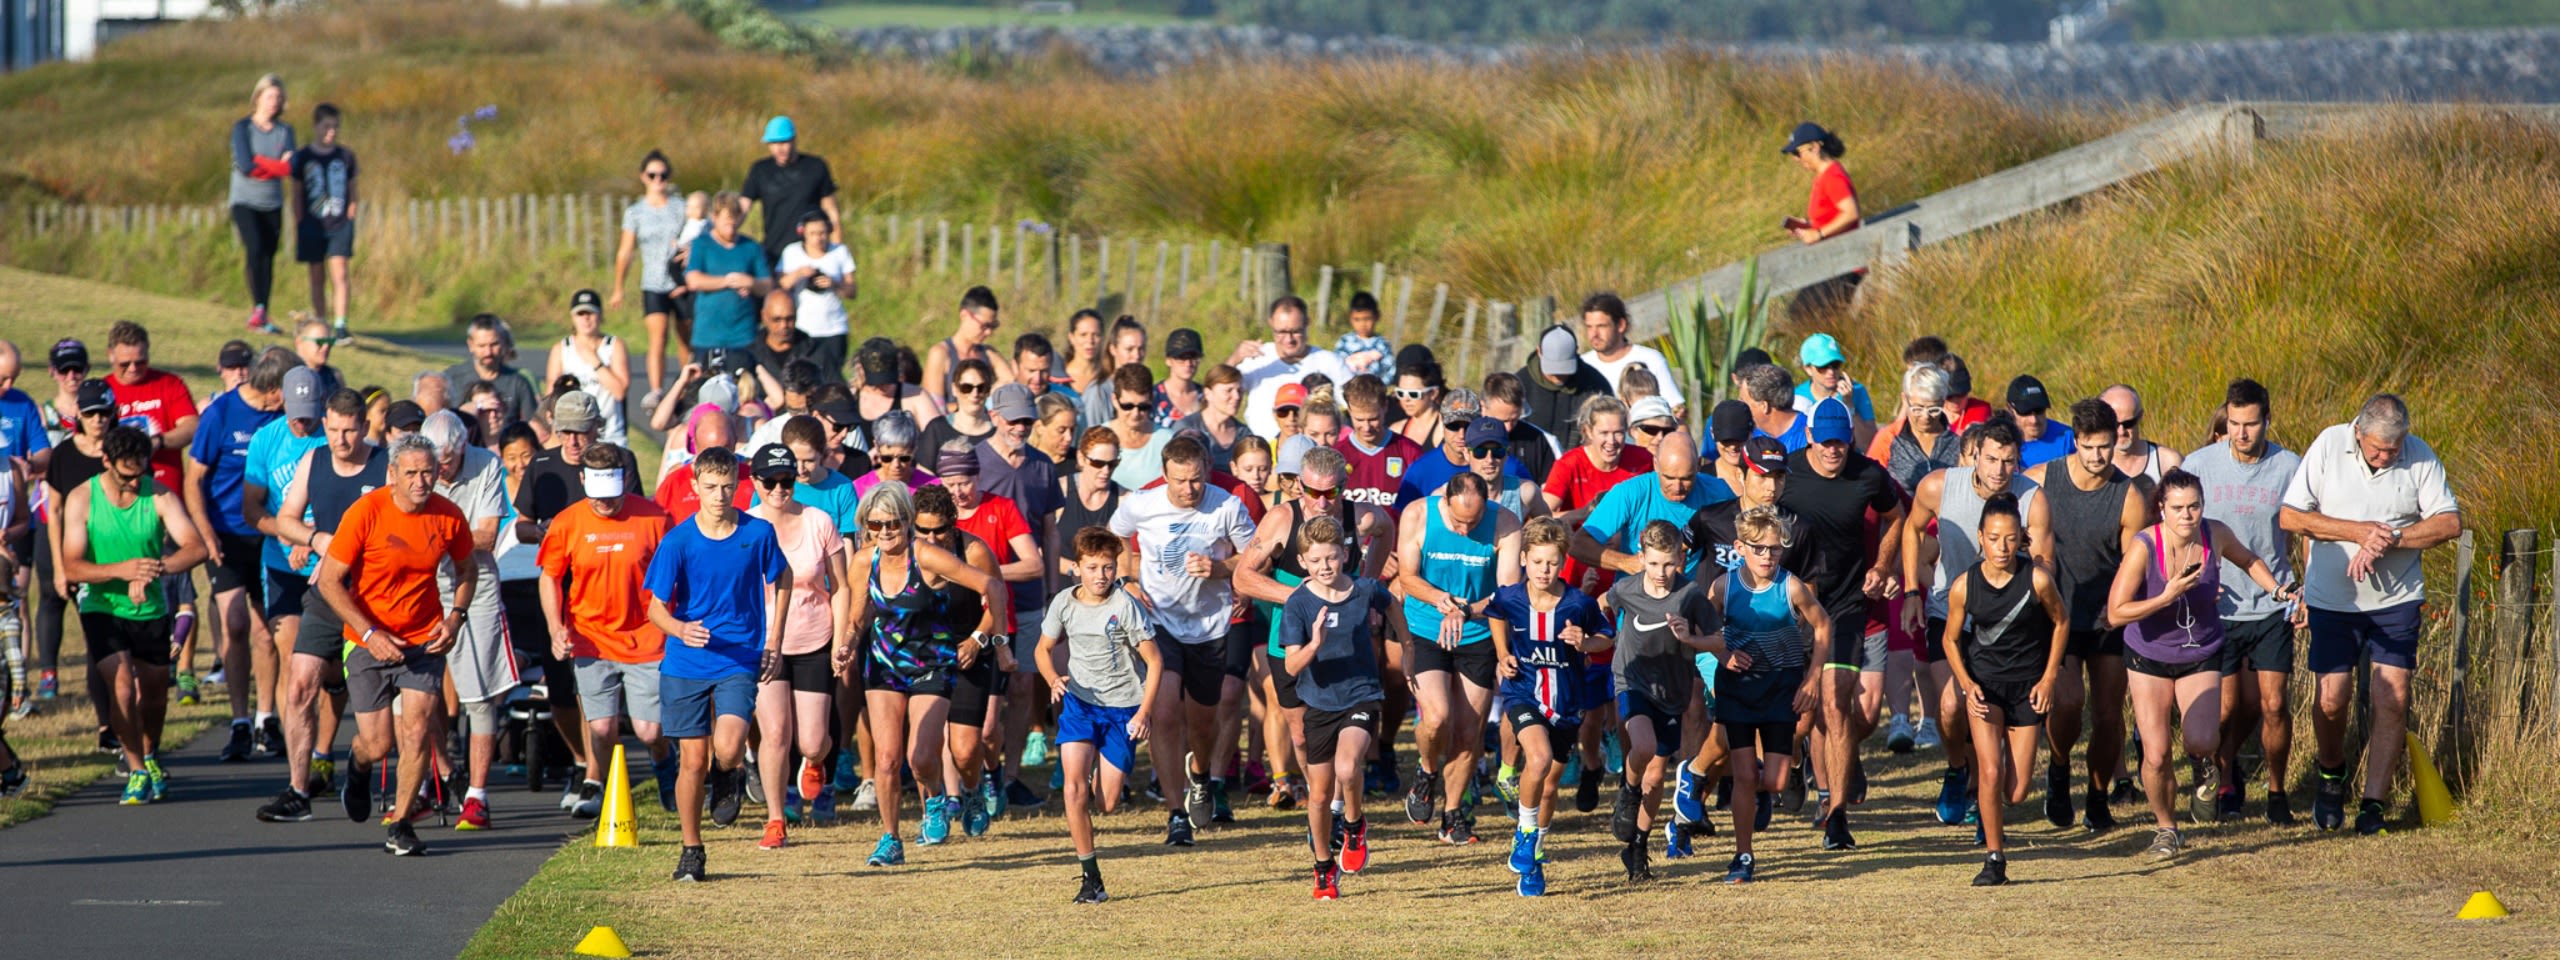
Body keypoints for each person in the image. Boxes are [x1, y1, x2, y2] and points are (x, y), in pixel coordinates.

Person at [2277, 393, 2461, 836]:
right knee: (2331, 699)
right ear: (2358, 432)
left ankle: (2373, 804)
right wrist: (2357, 532)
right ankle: (2331, 772)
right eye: (2378, 449)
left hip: (2396, 600)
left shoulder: (2419, 455)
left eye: (2393, 450)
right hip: (2332, 600)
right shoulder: (2328, 445)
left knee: (2392, 698)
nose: (2386, 457)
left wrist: (2390, 537)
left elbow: (2449, 523)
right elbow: (2290, 517)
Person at [2108, 468, 2300, 861]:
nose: (2187, 515)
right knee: (2156, 754)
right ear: (2162, 508)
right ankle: (2166, 828)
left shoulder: (2216, 534)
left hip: (2200, 652)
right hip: (2148, 655)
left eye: (2194, 506)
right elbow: (2115, 612)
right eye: (2178, 507)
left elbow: (2249, 559)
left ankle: (2204, 766)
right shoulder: (2145, 547)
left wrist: (2278, 590)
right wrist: (2166, 596)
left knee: (2202, 741)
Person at [310, 435, 470, 854]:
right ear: (392, 474)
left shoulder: (448, 515)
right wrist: (369, 634)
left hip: (423, 640)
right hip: (368, 639)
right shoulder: (367, 511)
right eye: (411, 473)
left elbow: (467, 569)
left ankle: (400, 824)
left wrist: (455, 618)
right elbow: (329, 581)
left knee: (417, 729)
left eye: (428, 473)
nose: (421, 482)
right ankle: (357, 764)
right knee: (379, 743)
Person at [644, 447, 791, 881]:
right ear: (695, 487)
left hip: (738, 657)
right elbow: (655, 609)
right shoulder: (678, 541)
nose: (719, 496)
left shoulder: (757, 533)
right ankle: (692, 850)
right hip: (686, 661)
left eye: (727, 487)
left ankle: (728, 772)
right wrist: (680, 628)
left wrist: (775, 638)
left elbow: (783, 577)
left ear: (738, 486)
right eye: (710, 487)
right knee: (691, 761)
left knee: (728, 746)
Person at [847, 480, 1003, 866]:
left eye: (893, 523)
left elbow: (991, 586)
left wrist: (987, 639)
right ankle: (891, 838)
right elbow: (858, 615)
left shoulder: (928, 556)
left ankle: (946, 796)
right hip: (884, 664)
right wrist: (846, 643)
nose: (885, 532)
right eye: (876, 524)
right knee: (886, 759)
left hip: (932, 663)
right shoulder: (864, 561)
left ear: (906, 522)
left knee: (919, 756)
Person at [1769, 400, 1904, 849]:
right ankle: (1797, 760)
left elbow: (1896, 518)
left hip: (1845, 606)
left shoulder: (1869, 475)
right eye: (1825, 441)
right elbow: (1754, 513)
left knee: (1836, 704)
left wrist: (1882, 566)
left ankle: (1837, 815)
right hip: (1792, 607)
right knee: (1799, 717)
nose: (1833, 450)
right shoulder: (1786, 473)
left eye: (1840, 442)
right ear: (1809, 437)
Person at [1109, 436, 1255, 848]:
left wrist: (1221, 568)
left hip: (1210, 625)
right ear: (1164, 474)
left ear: (1206, 469)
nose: (1189, 489)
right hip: (1158, 622)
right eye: (1179, 481)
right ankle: (1176, 813)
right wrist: (1128, 579)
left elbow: (1255, 555)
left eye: (1195, 480)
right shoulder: (1143, 503)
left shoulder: (1227, 506)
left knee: (1202, 722)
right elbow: (1115, 535)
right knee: (1165, 710)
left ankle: (1202, 775)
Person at [1903, 417, 2047, 829]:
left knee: (1991, 709)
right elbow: (1912, 530)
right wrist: (1911, 591)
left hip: (2006, 623)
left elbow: (2046, 564)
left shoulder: (2032, 498)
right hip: (1948, 611)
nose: (1999, 470)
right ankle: (1957, 769)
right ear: (1974, 455)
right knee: (1951, 705)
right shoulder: (1939, 486)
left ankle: (1985, 792)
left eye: (2008, 461)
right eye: (1991, 459)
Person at [1233, 446, 1394, 813]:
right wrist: (1300, 597)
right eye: (1313, 491)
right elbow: (1243, 577)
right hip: (1289, 643)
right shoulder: (1281, 519)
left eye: (1331, 492)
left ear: (1344, 487)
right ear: (1299, 486)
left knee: (1341, 730)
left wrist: (1368, 588)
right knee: (1303, 735)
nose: (1322, 502)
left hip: (1344, 645)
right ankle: (1318, 796)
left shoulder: (1361, 517)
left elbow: (1386, 529)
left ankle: (1333, 808)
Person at [2023, 398, 2149, 832]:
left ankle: (2097, 799)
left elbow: (2134, 564)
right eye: (2089, 447)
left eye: (2105, 447)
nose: (2097, 456)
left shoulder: (2128, 497)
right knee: (2069, 701)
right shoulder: (2041, 481)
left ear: (2116, 442)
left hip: (2107, 618)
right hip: (2057, 614)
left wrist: (2123, 611)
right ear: (2075, 441)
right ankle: (2059, 768)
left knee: (2109, 714)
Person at [66, 425, 209, 806]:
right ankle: (135, 769)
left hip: (150, 609)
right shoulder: (82, 499)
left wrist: (153, 569)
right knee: (123, 688)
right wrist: (122, 570)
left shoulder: (159, 495)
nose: (134, 482)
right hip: (102, 607)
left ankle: (149, 753)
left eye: (140, 473)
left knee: (156, 696)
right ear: (106, 462)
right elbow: (72, 566)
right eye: (126, 475)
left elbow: (195, 548)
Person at [2186, 378, 2305, 823]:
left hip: (2272, 603)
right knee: (2225, 709)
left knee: (2271, 705)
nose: (2241, 433)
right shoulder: (2200, 465)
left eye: (2250, 424)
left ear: (2267, 421)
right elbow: (2180, 525)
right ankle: (2224, 775)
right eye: (2234, 423)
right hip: (2218, 607)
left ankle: (2276, 792)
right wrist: (2195, 577)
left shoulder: (2289, 467)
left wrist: (2306, 588)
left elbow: (2307, 530)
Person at [1938, 491, 2067, 886]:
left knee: (2016, 791)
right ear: (1981, 537)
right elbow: (1949, 639)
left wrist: (2049, 678)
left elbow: (2061, 623)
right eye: (1994, 538)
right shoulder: (1965, 585)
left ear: (2021, 538)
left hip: (2028, 687)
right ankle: (1994, 858)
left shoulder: (2038, 579)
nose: (2002, 547)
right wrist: (1966, 684)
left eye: (2011, 538)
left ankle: (2000, 797)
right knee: (1991, 772)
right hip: (1985, 686)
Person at [1488, 517, 1613, 896]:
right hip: (1523, 692)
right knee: (1538, 759)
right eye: (1538, 561)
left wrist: (1585, 642)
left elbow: (1606, 637)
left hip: (1566, 703)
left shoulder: (1579, 603)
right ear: (1523, 559)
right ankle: (1525, 834)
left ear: (1562, 563)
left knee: (1548, 786)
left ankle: (1535, 858)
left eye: (1552, 563)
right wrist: (1502, 653)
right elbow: (1495, 614)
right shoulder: (1511, 597)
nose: (1544, 570)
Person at [1036, 526, 1162, 904]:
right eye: (1092, 567)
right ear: (1076, 568)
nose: (1101, 576)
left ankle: (1101, 776)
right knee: (1072, 788)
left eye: (1108, 567)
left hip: (1122, 708)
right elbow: (1042, 650)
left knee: (1106, 802)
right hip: (1079, 703)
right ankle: (1090, 878)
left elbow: (1155, 662)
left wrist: (1144, 713)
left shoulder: (1125, 605)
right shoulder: (1064, 602)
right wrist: (1053, 678)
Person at [1396, 470, 1521, 843]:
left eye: (1474, 521)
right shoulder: (1418, 514)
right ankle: (1427, 770)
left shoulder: (1505, 523)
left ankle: (1452, 816)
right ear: (1445, 502)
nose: (1465, 530)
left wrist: (1466, 611)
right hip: (1425, 629)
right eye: (1457, 522)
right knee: (1437, 717)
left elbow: (1507, 592)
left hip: (1477, 631)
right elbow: (1407, 577)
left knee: (1469, 732)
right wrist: (1442, 601)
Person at [1597, 519, 1725, 882]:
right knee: (1643, 746)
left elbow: (1718, 639)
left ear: (1681, 560)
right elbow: (1602, 604)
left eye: (1669, 564)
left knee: (1655, 778)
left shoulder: (1690, 595)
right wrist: (1598, 635)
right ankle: (1628, 790)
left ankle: (1637, 846)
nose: (1661, 573)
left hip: (1673, 692)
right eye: (1653, 563)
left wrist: (1691, 640)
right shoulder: (1627, 588)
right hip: (1633, 680)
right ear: (1641, 559)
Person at [1279, 513, 1395, 901]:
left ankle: (1355, 825)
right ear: (1303, 562)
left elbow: (1391, 603)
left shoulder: (1363, 590)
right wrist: (1314, 643)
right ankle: (1324, 867)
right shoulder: (1298, 603)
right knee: (1318, 796)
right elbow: (1291, 666)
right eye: (1315, 560)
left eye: (1331, 557)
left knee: (1347, 767)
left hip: (1362, 695)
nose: (1325, 566)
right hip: (1319, 703)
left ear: (1344, 555)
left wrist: (1408, 648)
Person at [183, 348, 287, 762]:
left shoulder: (282, 417)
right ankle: (239, 719)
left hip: (268, 534)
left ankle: (265, 718)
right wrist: (205, 534)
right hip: (225, 534)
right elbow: (194, 479)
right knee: (236, 624)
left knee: (266, 631)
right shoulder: (221, 414)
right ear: (273, 388)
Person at [742, 441, 848, 848]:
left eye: (786, 481)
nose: (779, 489)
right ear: (756, 482)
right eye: (770, 482)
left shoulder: (818, 521)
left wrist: (841, 641)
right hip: (765, 645)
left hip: (814, 638)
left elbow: (840, 587)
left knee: (813, 740)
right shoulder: (746, 526)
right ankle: (774, 819)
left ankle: (816, 762)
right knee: (775, 733)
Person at [413, 412, 513, 828]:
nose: (439, 471)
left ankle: (477, 795)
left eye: (448, 461)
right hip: (421, 584)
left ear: (463, 447)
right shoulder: (413, 463)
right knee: (416, 694)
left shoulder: (486, 464)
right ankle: (437, 777)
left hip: (476, 581)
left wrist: (429, 540)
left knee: (479, 696)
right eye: (433, 463)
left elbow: (487, 536)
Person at [933, 450, 1036, 826]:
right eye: (950, 484)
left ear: (978, 477)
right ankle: (955, 797)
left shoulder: (1000, 510)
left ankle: (992, 773)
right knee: (946, 724)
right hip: (946, 633)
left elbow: (1034, 564)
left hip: (995, 628)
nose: (958, 491)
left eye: (965, 482)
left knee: (989, 730)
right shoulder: (932, 520)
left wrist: (979, 574)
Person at [976, 384, 1060, 808]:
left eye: (1027, 420)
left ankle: (1010, 777)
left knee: (1025, 684)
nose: (1021, 427)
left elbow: (1049, 531)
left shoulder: (1042, 466)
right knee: (983, 693)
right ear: (994, 416)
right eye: (1014, 420)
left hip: (1027, 595)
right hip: (980, 601)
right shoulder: (974, 462)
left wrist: (1053, 591)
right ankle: (979, 773)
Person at [1571, 433, 1730, 583]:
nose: (1677, 487)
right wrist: (1626, 562)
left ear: (1698, 466)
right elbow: (1578, 544)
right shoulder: (1629, 493)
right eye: (1669, 478)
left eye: (1686, 478)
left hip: (1692, 595)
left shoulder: (1719, 493)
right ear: (1656, 464)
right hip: (1637, 596)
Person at [612, 150, 689, 410]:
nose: (658, 180)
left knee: (685, 337)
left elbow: (698, 232)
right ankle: (657, 391)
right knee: (658, 338)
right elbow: (625, 252)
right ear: (643, 177)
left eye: (663, 175)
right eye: (652, 175)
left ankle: (686, 386)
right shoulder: (635, 212)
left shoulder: (680, 207)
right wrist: (619, 287)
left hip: (680, 281)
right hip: (653, 282)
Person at [230, 73, 296, 335]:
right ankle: (256, 308)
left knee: (268, 256)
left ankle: (263, 311)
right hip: (245, 200)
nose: (274, 102)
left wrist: (263, 163)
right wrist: (275, 165)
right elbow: (246, 165)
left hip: (272, 202)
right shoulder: (242, 128)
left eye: (278, 97)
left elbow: (290, 167)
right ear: (258, 97)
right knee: (255, 247)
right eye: (270, 96)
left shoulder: (285, 131)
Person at [1231, 297, 1351, 439]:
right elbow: (1216, 395)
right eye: (1281, 332)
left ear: (1307, 322)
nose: (1289, 339)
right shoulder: (1256, 358)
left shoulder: (1330, 362)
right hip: (1261, 448)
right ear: (1271, 323)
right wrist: (1234, 359)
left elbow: (1356, 407)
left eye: (1296, 331)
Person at [290, 101, 358, 339]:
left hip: (339, 222)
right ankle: (321, 322)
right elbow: (297, 192)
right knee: (316, 275)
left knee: (340, 273)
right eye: (326, 126)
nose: (331, 131)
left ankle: (341, 324)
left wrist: (351, 213)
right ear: (316, 126)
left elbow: (352, 188)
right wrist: (299, 220)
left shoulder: (345, 156)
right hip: (312, 224)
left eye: (335, 126)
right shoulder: (303, 157)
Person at [683, 191, 772, 372]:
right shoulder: (702, 244)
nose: (731, 228)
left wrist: (750, 282)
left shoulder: (751, 247)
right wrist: (728, 281)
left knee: (744, 383)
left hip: (743, 334)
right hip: (708, 335)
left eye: (734, 222)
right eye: (726, 222)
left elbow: (767, 285)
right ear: (714, 218)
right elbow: (693, 280)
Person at [1781, 121, 1861, 316]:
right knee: (1799, 313)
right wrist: (1807, 226)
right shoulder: (1822, 176)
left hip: (1844, 263)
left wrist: (1818, 233)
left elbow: (1851, 213)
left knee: (1800, 314)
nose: (1796, 159)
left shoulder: (1832, 176)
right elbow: (1832, 215)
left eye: (1798, 152)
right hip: (1832, 262)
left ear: (1815, 147)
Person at [740, 116, 840, 266]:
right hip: (774, 252)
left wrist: (837, 249)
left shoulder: (816, 167)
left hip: (811, 252)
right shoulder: (760, 170)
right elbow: (742, 208)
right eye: (774, 144)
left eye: (784, 143)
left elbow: (831, 211)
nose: (779, 149)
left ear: (794, 140)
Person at [775, 209, 857, 378]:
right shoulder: (792, 252)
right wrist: (799, 274)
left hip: (834, 328)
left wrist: (833, 283)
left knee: (833, 375)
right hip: (803, 326)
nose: (818, 238)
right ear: (803, 233)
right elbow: (780, 286)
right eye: (812, 234)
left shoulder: (839, 252)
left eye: (822, 233)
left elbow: (852, 291)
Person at [546, 290, 633, 446]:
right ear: (573, 317)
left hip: (610, 435)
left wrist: (595, 361)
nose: (586, 318)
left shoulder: (614, 346)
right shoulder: (561, 349)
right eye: (580, 314)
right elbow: (551, 396)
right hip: (574, 437)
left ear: (600, 315)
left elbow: (620, 391)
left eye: (591, 313)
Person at [1331, 375, 1423, 513]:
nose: (1366, 427)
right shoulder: (1336, 456)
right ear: (1349, 411)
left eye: (1373, 419)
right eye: (1359, 420)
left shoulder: (1410, 452)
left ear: (1385, 407)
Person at [1578, 293, 1684, 413]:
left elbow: (1676, 410)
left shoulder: (1651, 360)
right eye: (1589, 327)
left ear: (1621, 325)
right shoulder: (1581, 365)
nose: (1594, 334)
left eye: (1601, 326)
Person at [1519, 326, 1613, 449]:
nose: (1558, 376)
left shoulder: (1595, 385)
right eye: (1552, 369)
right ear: (1539, 351)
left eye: (1564, 369)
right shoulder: (1520, 386)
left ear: (1576, 351)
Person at [1876, 364, 1963, 495]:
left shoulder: (1958, 441)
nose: (1925, 416)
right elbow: (1871, 482)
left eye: (1933, 409)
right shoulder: (1888, 438)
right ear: (1905, 399)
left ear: (1943, 402)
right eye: (1917, 408)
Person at [919, 286, 1009, 409]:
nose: (989, 332)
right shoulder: (940, 354)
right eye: (984, 325)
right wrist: (971, 406)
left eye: (993, 326)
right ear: (964, 315)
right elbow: (934, 407)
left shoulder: (989, 353)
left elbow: (1010, 382)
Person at [443, 315, 540, 428]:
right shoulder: (451, 379)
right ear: (471, 345)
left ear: (504, 343)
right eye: (482, 346)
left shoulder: (518, 383)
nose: (488, 352)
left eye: (494, 344)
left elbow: (534, 426)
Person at [1792, 334, 1873, 449]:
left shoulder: (1857, 391)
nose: (1831, 372)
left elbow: (1868, 443)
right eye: (1823, 366)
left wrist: (1849, 405)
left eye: (1835, 365)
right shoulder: (1797, 398)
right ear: (1808, 369)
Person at [2101, 384, 2184, 492]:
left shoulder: (2167, 462)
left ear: (2140, 417)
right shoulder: (2092, 462)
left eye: (2128, 423)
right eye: (2114, 424)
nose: (2121, 431)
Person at [1479, 373, 1560, 481]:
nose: (1508, 428)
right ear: (1484, 408)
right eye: (1502, 421)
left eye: (1514, 420)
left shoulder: (1538, 441)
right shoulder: (1465, 438)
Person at [918, 360, 998, 466]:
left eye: (981, 388)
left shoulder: (999, 431)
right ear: (954, 389)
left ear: (988, 391)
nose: (975, 394)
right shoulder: (937, 429)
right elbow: (922, 473)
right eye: (967, 388)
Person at [1170, 363, 1247, 473]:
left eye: (1239, 391)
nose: (1237, 397)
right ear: (1208, 393)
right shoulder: (1186, 428)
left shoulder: (1244, 434)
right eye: (1228, 390)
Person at [1103, 364, 1169, 491]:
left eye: (1143, 407)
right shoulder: (1098, 438)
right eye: (1128, 406)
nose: (1135, 413)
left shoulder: (1167, 440)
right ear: (1114, 400)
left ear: (1151, 400)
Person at [2007, 376, 2074, 469]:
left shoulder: (2069, 438)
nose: (2034, 420)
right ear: (2010, 409)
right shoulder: (1998, 442)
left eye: (2039, 411)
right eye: (2025, 412)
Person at [1391, 360, 1447, 452]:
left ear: (1433, 393)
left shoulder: (1445, 430)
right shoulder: (1396, 430)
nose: (1406, 399)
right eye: (1400, 393)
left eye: (1413, 394)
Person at [1153, 328, 1204, 425]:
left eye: (1193, 357)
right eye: (1181, 357)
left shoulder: (1207, 397)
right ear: (1168, 360)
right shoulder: (1153, 398)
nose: (1188, 363)